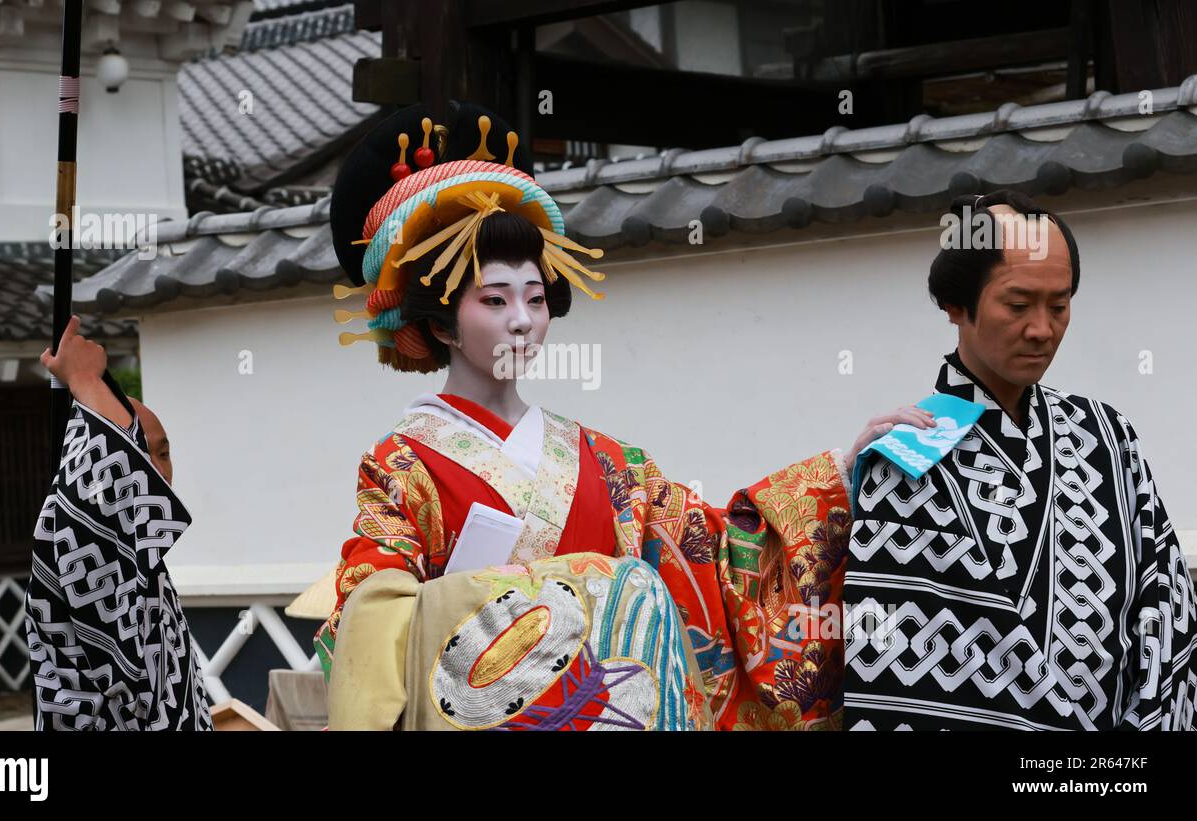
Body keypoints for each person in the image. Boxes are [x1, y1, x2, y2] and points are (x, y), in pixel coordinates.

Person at [302, 102, 933, 731]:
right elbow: (373, 609)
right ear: (438, 322)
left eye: (535, 297)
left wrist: (842, 478)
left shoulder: (610, 463)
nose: (522, 319)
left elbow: (713, 553)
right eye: (494, 299)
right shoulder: (403, 463)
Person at [843, 190, 1197, 730]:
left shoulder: (1108, 436)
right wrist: (844, 480)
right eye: (1017, 305)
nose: (1042, 329)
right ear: (955, 306)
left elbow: (1168, 608)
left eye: (1059, 306)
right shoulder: (904, 460)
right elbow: (893, 666)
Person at [26, 316, 212, 731]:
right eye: (138, 457)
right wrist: (86, 380)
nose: (155, 473)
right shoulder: (73, 530)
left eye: (163, 455)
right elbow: (108, 496)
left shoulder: (143, 562)